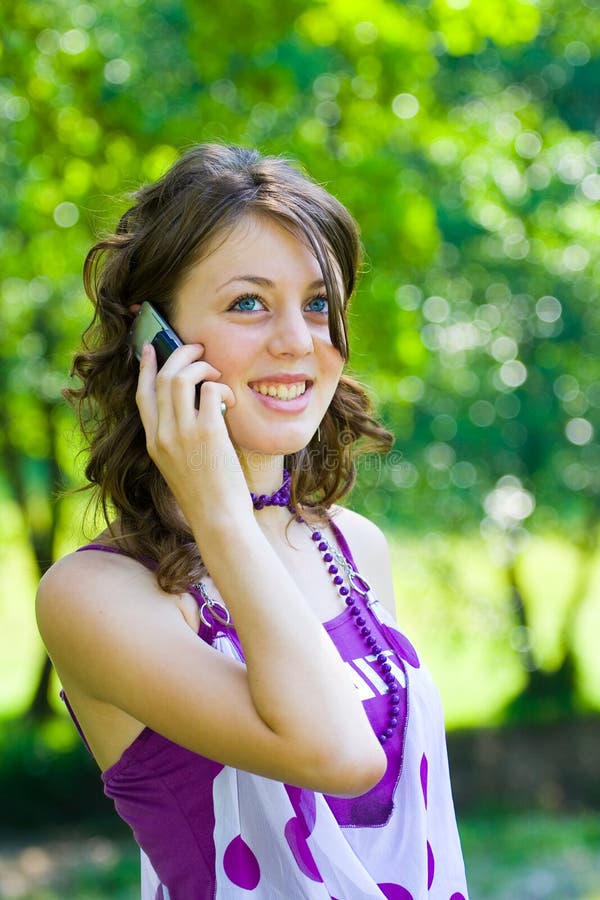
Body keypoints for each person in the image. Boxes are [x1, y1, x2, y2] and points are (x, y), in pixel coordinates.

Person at [36, 143, 469, 900]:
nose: (297, 343)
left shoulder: (353, 546)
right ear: (155, 341)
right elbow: (340, 753)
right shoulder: (94, 596)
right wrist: (220, 512)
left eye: (317, 304)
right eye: (248, 303)